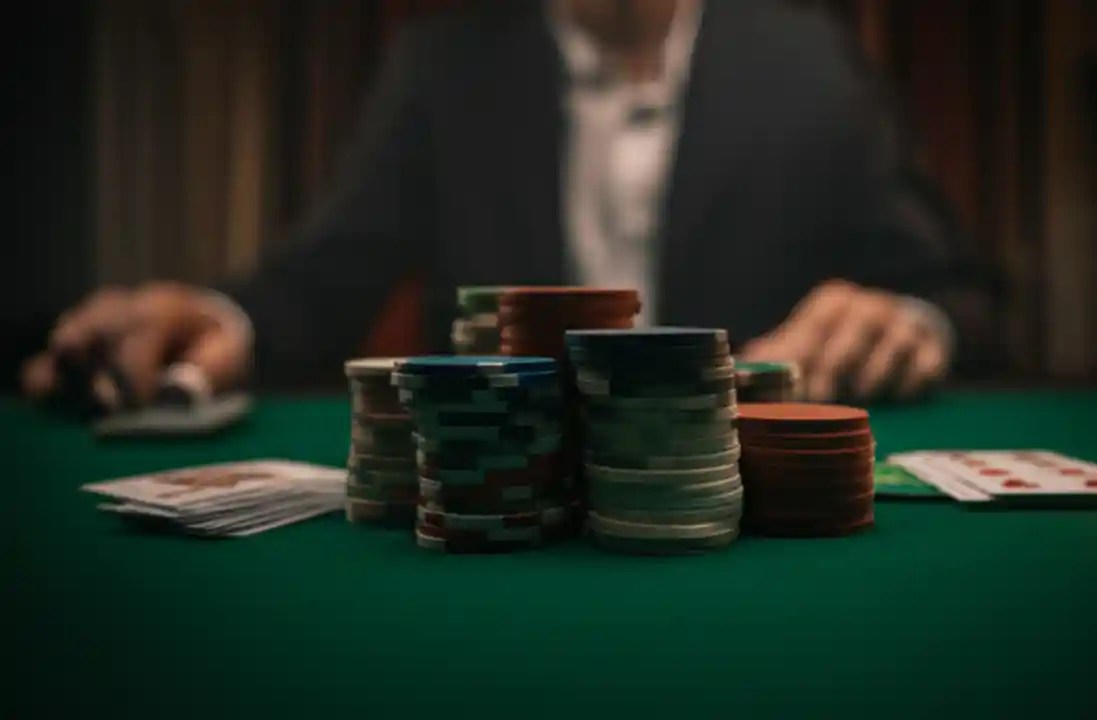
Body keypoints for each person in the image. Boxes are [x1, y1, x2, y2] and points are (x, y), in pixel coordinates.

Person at [21, 0, 995, 410]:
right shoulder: (441, 66)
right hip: (500, 539)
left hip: (751, 544)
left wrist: (911, 322)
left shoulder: (811, 61)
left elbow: (958, 292)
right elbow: (318, 286)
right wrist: (215, 320)